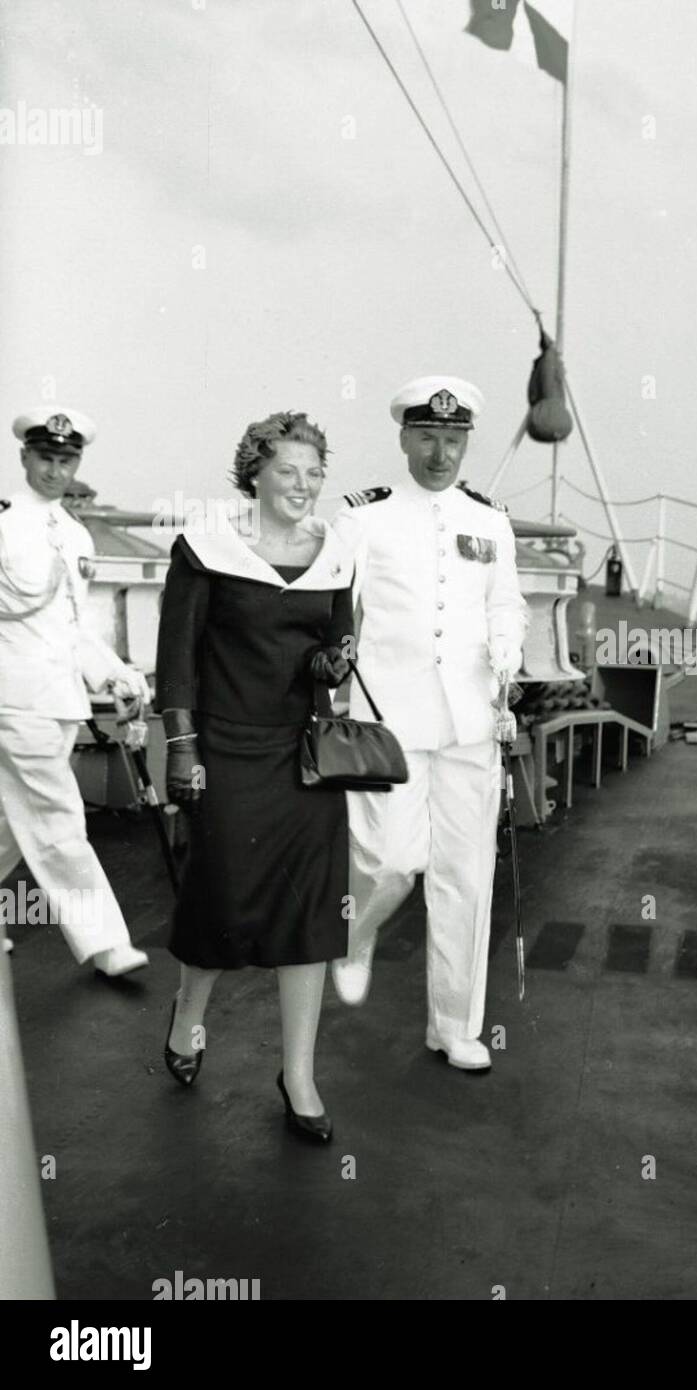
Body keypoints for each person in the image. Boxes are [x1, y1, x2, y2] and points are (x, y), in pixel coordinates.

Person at [155, 411, 354, 1143]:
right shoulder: (206, 549)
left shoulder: (335, 554)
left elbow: (331, 643)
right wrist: (181, 748)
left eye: (313, 474)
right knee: (221, 898)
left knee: (309, 912)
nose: (302, 487)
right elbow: (177, 660)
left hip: (304, 759)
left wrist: (333, 662)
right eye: (287, 472)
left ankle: (298, 1074)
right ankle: (187, 1019)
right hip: (224, 752)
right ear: (256, 474)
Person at [329, 376, 526, 1072]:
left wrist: (509, 646)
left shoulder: (489, 522)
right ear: (404, 438)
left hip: (471, 719)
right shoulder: (366, 518)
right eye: (427, 437)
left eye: (452, 439)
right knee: (390, 860)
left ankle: (454, 1025)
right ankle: (356, 938)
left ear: (465, 440)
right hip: (389, 720)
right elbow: (332, 608)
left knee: (465, 877)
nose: (440, 452)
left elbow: (507, 603)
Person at [0, 410, 151, 978]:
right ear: (24, 457)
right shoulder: (4, 522)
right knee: (59, 820)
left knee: (11, 823)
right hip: (14, 697)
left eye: (66, 461)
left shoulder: (76, 533)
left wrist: (114, 675)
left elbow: (75, 626)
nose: (55, 470)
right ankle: (106, 942)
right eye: (46, 458)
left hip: (60, 698)